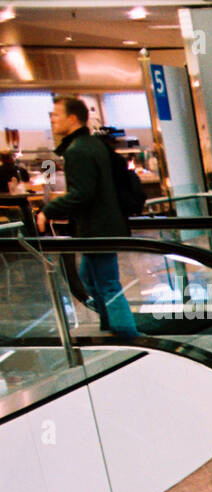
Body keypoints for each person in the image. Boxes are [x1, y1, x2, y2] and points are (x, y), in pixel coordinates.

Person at [36, 96, 138, 338]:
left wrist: (48, 210)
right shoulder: (91, 144)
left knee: (106, 283)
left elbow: (82, 193)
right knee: (90, 279)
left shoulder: (78, 150)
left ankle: (127, 334)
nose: (52, 119)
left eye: (56, 115)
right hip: (99, 227)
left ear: (73, 119)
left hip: (97, 229)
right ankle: (112, 327)